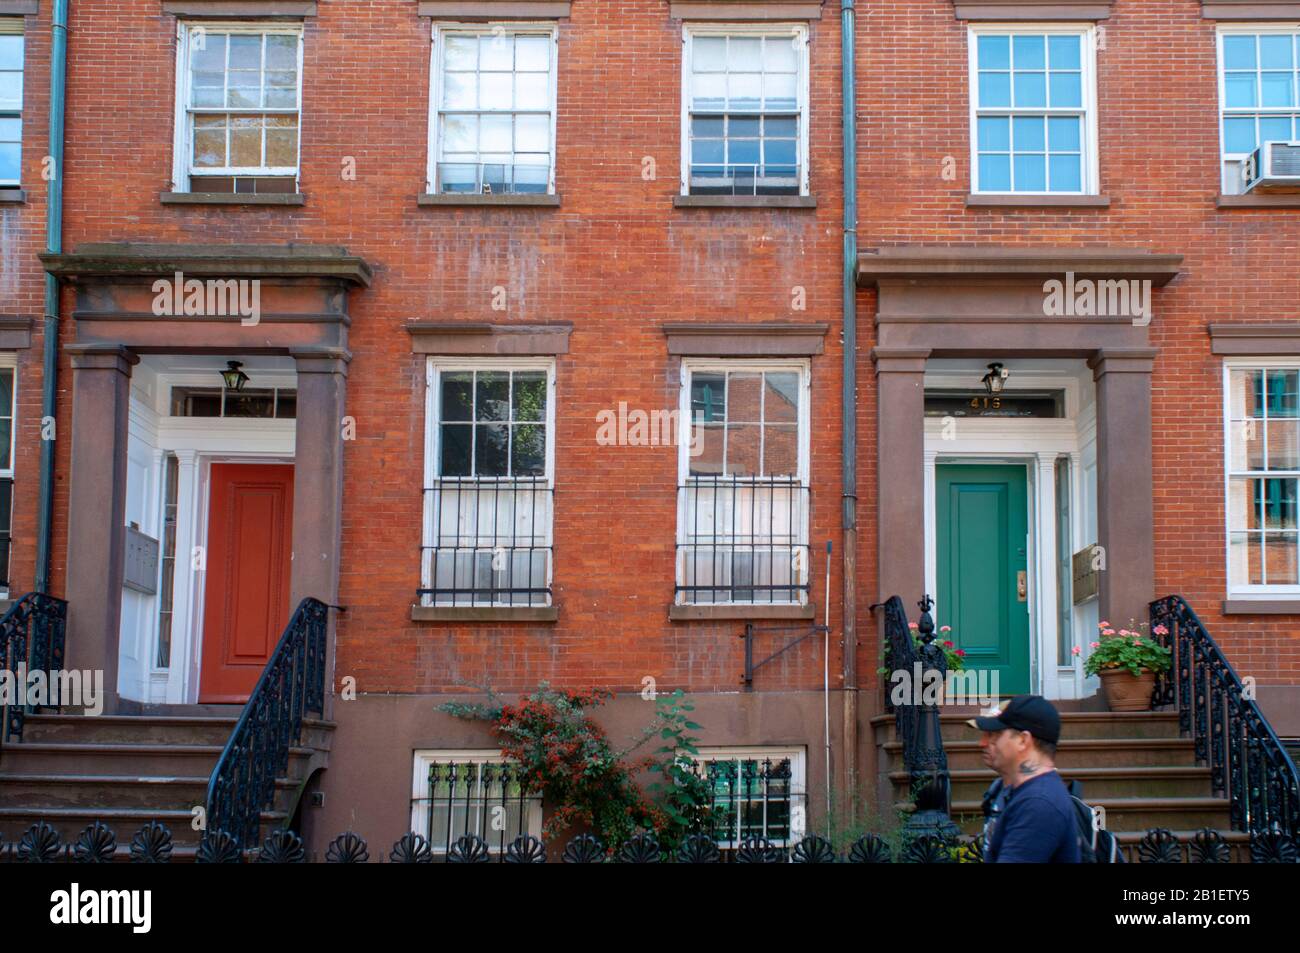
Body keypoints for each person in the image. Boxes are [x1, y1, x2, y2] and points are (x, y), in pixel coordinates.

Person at [968, 695, 1080, 863]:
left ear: (1022, 740)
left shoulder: (1038, 803)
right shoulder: (1024, 794)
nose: (983, 744)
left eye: (995, 735)